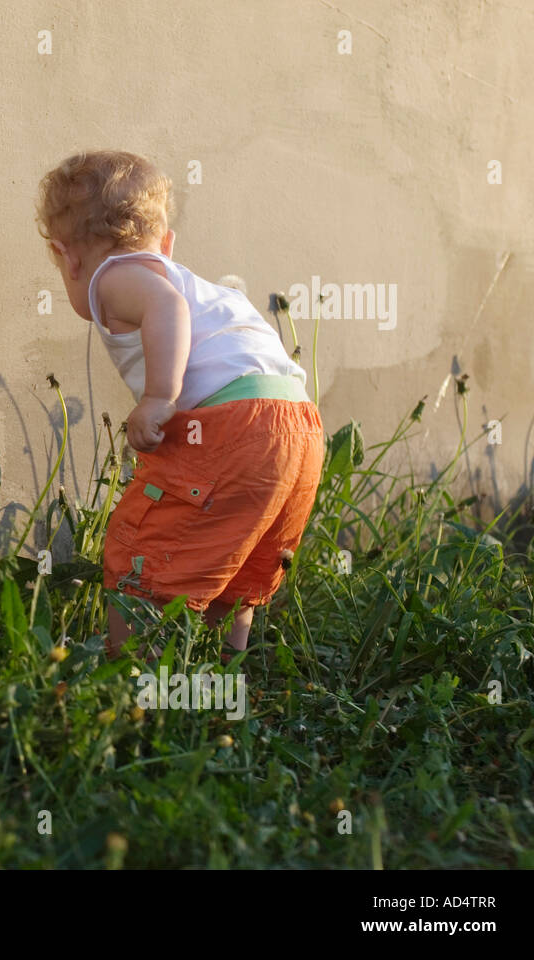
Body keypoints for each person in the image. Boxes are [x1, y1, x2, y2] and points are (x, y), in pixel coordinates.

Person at [35, 150, 324, 658]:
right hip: (299, 427)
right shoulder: (206, 289)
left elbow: (164, 307)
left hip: (232, 427)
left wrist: (158, 397)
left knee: (142, 559)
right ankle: (227, 665)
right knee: (233, 558)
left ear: (67, 256)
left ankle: (127, 681)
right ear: (166, 242)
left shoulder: (111, 276)